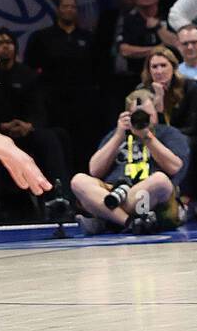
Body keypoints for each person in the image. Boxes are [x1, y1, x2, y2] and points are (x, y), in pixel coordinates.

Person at [0, 27, 68, 222]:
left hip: (25, 133)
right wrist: (2, 126)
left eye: (9, 42)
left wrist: (28, 125)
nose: (5, 47)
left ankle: (58, 198)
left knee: (50, 137)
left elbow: (39, 109)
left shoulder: (26, 74)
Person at [72, 88, 190, 235]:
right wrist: (118, 135)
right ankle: (129, 222)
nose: (142, 120)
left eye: (147, 115)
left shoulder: (168, 133)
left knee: (160, 180)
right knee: (78, 181)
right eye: (137, 115)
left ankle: (106, 218)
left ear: (155, 113)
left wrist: (147, 137)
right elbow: (95, 170)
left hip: (150, 195)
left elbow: (175, 167)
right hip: (115, 191)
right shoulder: (117, 134)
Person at [25, 0, 97, 161]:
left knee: (81, 144)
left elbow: (97, 68)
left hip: (82, 102)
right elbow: (30, 68)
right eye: (65, 6)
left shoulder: (88, 38)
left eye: (73, 7)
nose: (69, 10)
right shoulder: (42, 37)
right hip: (52, 102)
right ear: (58, 10)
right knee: (55, 144)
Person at [115, 0, 175, 82]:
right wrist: (156, 50)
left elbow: (176, 43)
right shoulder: (128, 20)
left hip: (168, 77)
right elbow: (124, 50)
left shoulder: (169, 16)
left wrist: (158, 27)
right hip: (137, 76)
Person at [142, 45, 197, 139]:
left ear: (173, 67)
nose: (159, 71)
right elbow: (146, 127)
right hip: (153, 140)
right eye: (154, 67)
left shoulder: (190, 86)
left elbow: (192, 127)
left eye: (163, 65)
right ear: (149, 71)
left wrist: (169, 134)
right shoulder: (142, 90)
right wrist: (158, 98)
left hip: (183, 138)